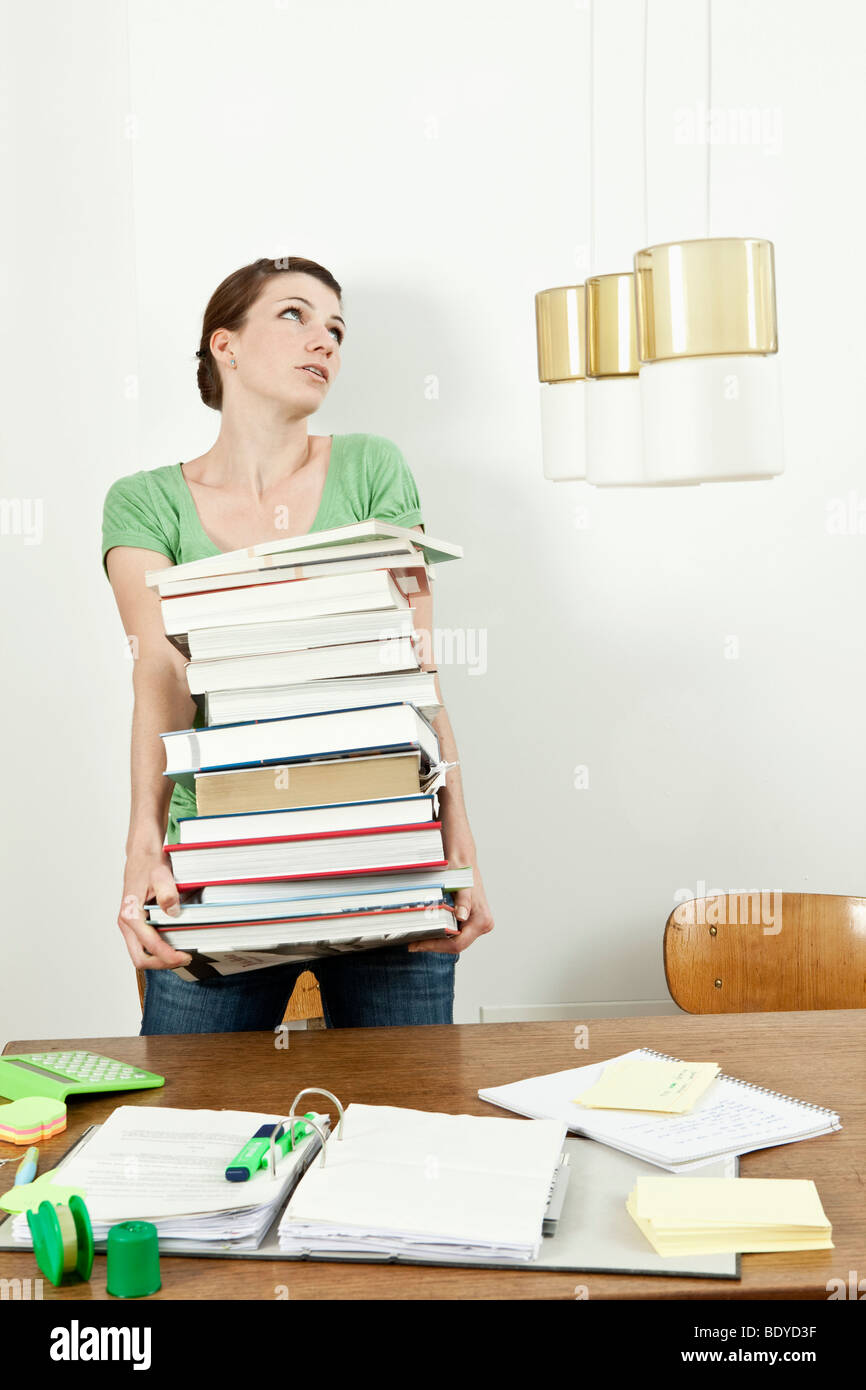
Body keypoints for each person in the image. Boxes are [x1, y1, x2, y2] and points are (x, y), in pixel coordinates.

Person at [102, 255, 493, 1033]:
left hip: (385, 852)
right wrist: (144, 844)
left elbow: (417, 673)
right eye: (295, 315)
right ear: (226, 345)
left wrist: (459, 842)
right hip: (220, 868)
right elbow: (161, 674)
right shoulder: (143, 502)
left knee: (407, 1131)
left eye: (337, 329)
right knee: (190, 1124)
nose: (325, 342)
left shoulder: (373, 467)